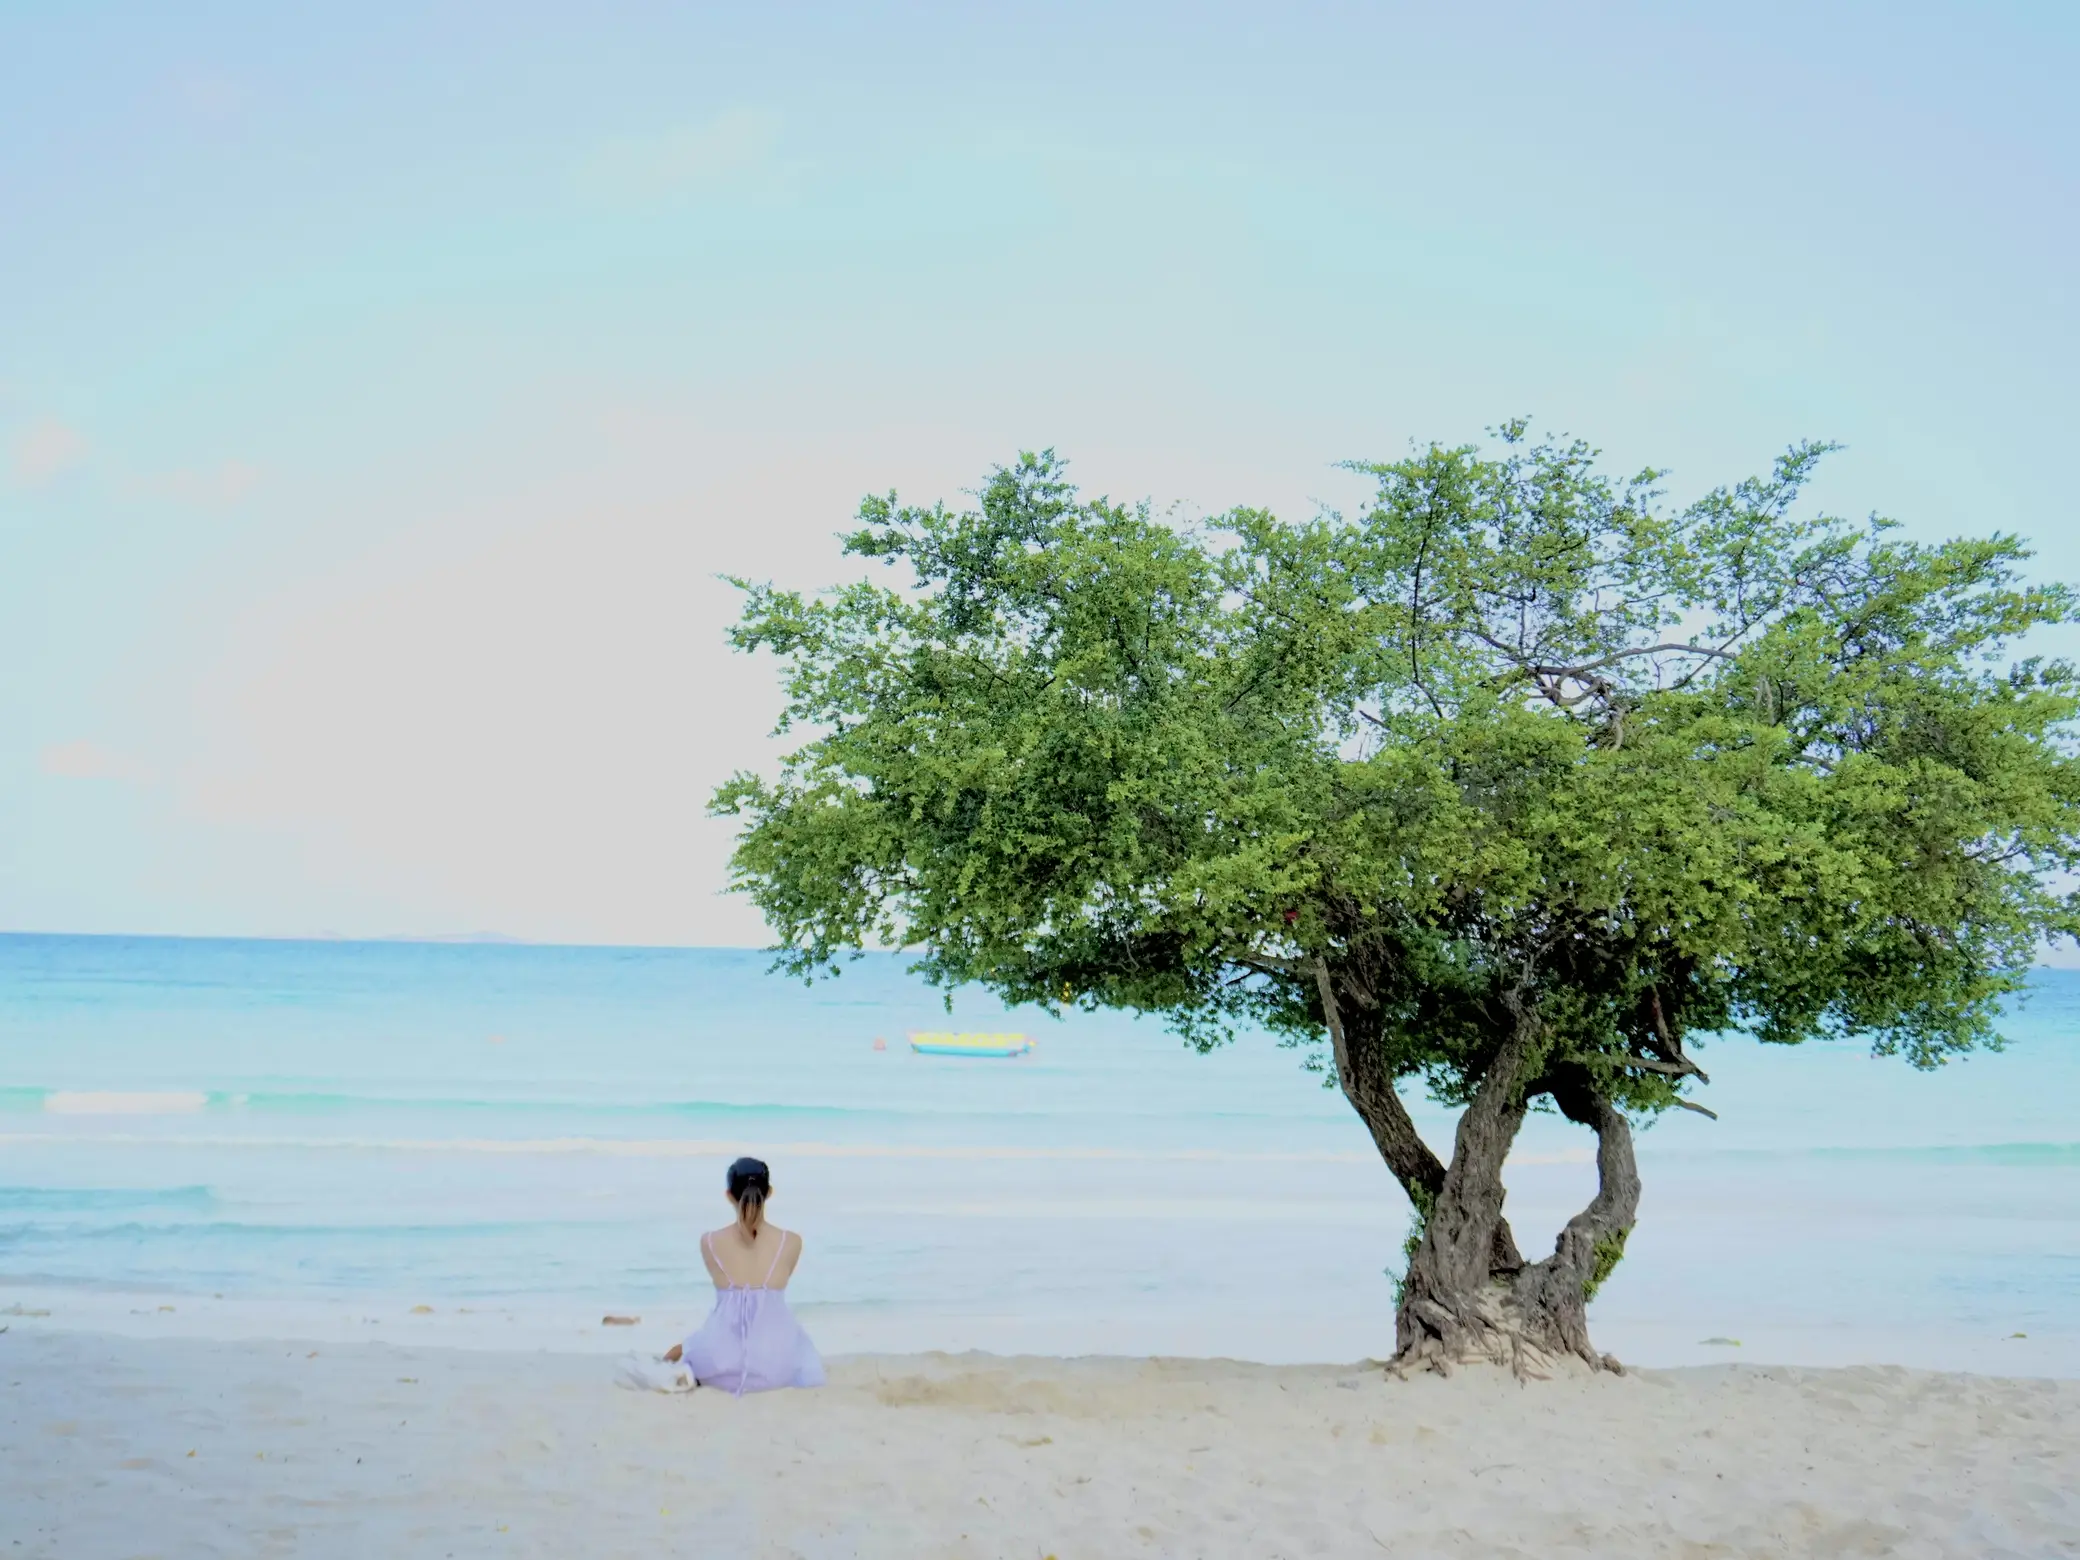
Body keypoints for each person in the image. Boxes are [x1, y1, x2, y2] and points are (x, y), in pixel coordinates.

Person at [653, 1156, 825, 1395]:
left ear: (728, 1195)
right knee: (799, 1347)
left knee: (683, 1349)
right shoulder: (792, 1242)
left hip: (718, 1366)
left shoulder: (709, 1242)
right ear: (769, 1192)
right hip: (775, 1368)